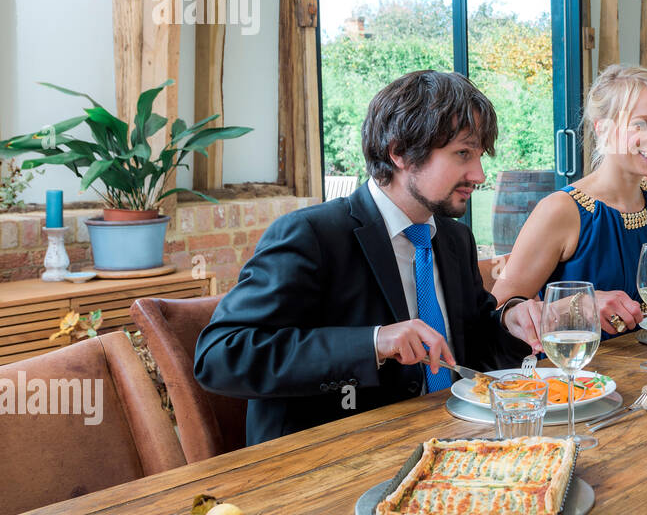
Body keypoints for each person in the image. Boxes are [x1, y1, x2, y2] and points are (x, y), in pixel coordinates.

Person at [195, 71, 536, 445]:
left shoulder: (455, 239)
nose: (480, 174)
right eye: (462, 153)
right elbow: (220, 356)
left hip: (452, 443)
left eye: (479, 155)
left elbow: (473, 349)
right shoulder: (312, 236)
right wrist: (373, 343)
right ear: (401, 152)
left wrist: (514, 322)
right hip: (331, 462)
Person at [493, 64, 647, 344]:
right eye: (642, 123)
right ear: (603, 130)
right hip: (580, 375)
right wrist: (580, 304)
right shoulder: (562, 210)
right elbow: (500, 311)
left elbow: (632, 280)